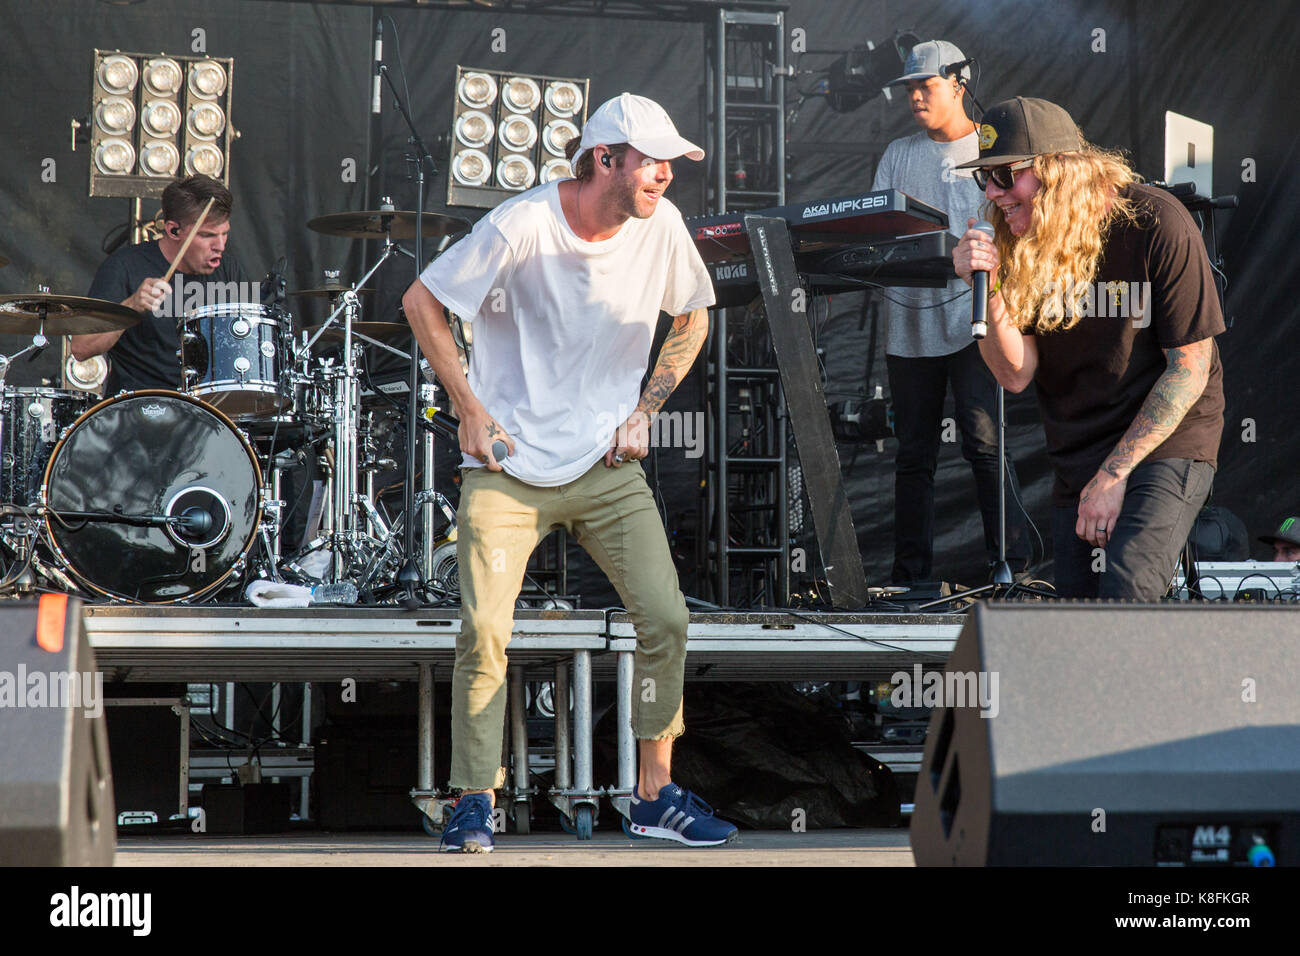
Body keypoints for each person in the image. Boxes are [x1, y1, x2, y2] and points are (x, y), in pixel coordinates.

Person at [402, 92, 736, 852]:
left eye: (670, 164)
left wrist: (647, 406)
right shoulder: (522, 224)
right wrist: (469, 407)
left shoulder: (664, 230)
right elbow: (422, 300)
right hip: (508, 464)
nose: (664, 177)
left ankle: (654, 795)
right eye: (652, 161)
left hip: (605, 463)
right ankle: (472, 799)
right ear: (605, 158)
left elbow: (693, 314)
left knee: (668, 618)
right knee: (486, 630)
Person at [953, 97, 1226, 600]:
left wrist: (1114, 474)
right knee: (1078, 615)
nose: (993, 193)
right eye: (983, 179)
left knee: (1125, 595)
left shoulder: (1156, 222)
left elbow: (1189, 369)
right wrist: (987, 286)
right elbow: (1015, 374)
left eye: (1004, 176)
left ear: (1056, 171)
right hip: (1080, 451)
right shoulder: (1021, 241)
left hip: (1166, 442)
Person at [874, 40, 1029, 586]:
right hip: (909, 328)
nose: (915, 96)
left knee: (984, 442)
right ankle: (908, 580)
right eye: (909, 88)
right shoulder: (897, 155)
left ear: (960, 83)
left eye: (926, 85)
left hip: (977, 324)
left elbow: (1015, 231)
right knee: (913, 454)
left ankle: (1009, 570)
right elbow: (878, 241)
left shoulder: (992, 151)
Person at [72, 174, 250, 395]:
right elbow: (81, 348)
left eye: (225, 234)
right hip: (141, 408)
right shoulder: (125, 266)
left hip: (209, 409)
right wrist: (130, 307)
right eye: (207, 235)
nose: (220, 245)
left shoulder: (229, 270)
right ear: (173, 230)